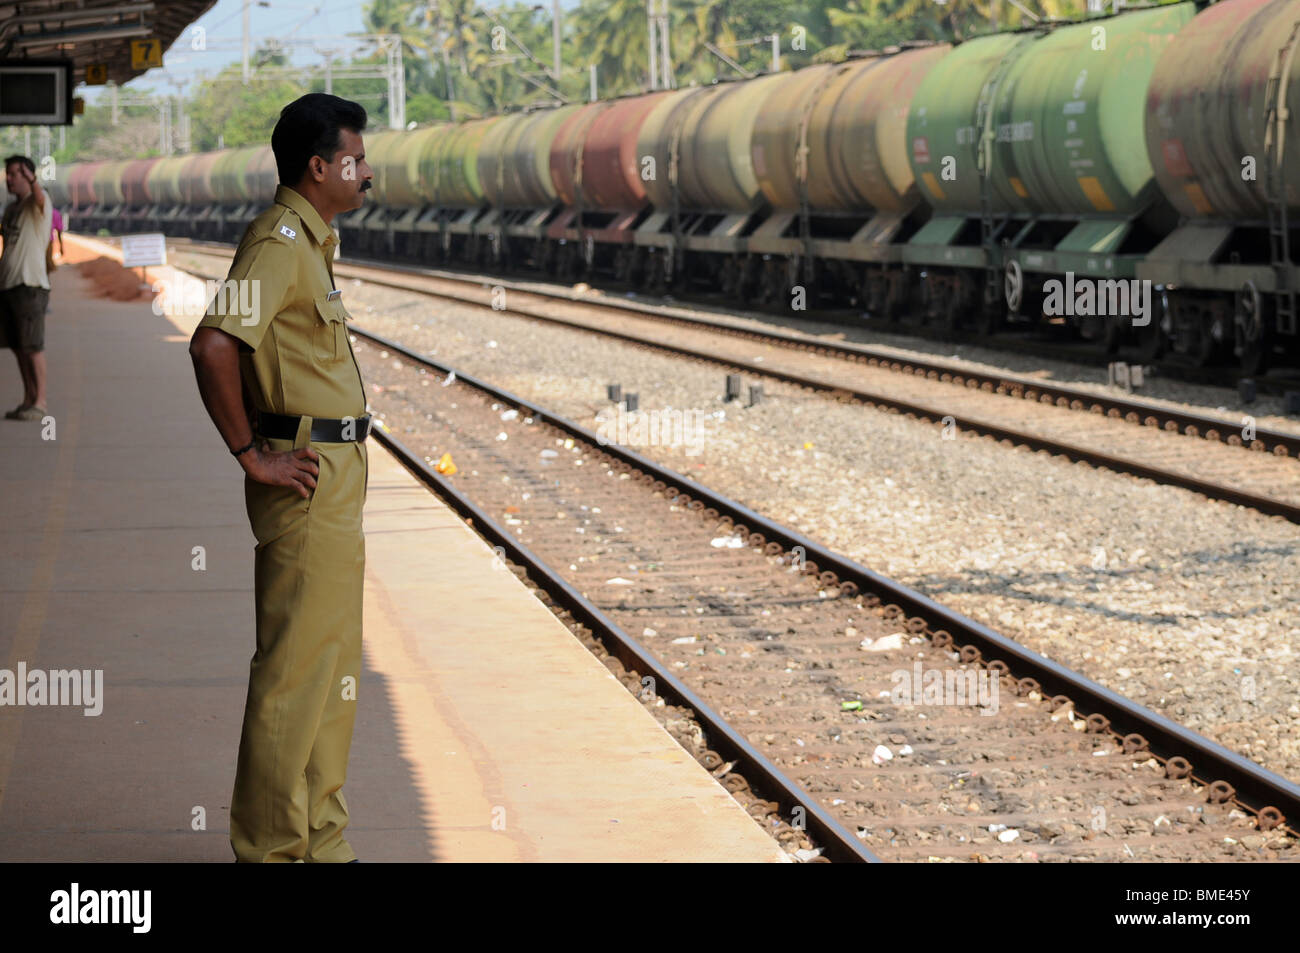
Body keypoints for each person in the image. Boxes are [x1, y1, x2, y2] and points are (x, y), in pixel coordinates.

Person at [188, 93, 374, 863]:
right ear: (319, 166)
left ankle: (321, 843)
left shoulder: (311, 244)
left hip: (332, 478)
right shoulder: (277, 241)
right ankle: (268, 850)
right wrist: (249, 455)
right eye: (356, 161)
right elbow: (211, 346)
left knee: (330, 674)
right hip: (300, 479)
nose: (368, 173)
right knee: (293, 676)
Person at [0, 155, 53, 421]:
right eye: (7, 174)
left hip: (29, 285)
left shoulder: (37, 204)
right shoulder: (11, 210)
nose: (8, 179)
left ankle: (40, 402)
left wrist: (33, 179)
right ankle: (28, 399)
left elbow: (40, 196)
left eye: (13, 174)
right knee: (19, 347)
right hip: (8, 285)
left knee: (33, 346)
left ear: (27, 177)